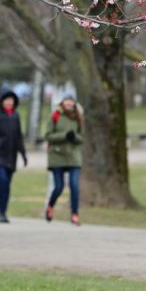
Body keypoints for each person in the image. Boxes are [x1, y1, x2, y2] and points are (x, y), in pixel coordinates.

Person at [0, 87, 27, 223]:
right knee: (2, 180)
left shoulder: (15, 116)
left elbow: (19, 136)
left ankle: (4, 211)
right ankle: (1, 212)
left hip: (11, 156)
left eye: (11, 100)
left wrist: (23, 154)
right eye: (6, 100)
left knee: (7, 184)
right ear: (2, 101)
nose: (9, 102)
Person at [44, 90, 84, 226]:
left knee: (74, 186)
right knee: (59, 187)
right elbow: (48, 135)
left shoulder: (78, 116)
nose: (69, 103)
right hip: (57, 156)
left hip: (73, 156)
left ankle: (75, 214)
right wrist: (64, 136)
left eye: (71, 100)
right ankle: (50, 206)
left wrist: (74, 137)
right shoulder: (55, 115)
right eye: (67, 100)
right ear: (63, 102)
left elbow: (82, 137)